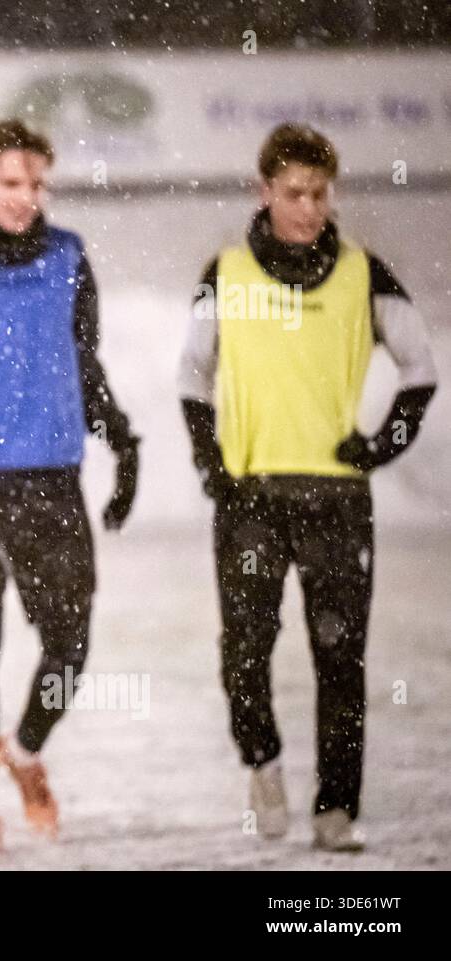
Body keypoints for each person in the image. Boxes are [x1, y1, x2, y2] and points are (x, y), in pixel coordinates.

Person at [178, 123, 438, 851]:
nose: (309, 207)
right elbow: (192, 375)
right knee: (244, 653)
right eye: (294, 193)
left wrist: (380, 445)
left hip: (337, 502)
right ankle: (261, 762)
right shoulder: (225, 271)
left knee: (340, 659)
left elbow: (421, 371)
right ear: (265, 191)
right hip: (250, 498)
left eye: (320, 193)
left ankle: (335, 810)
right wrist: (211, 463)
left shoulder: (364, 272)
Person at [0, 119, 140, 851]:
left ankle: (27, 748)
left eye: (37, 183)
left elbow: (85, 362)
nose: (25, 197)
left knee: (70, 651)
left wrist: (123, 442)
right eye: (12, 182)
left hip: (53, 485)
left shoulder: (70, 259)